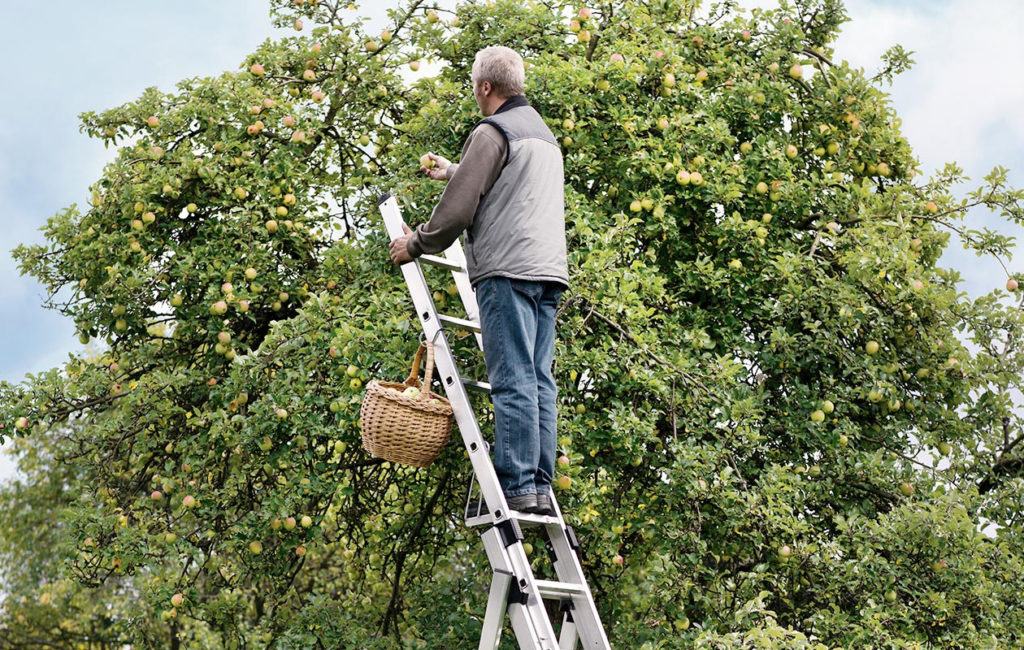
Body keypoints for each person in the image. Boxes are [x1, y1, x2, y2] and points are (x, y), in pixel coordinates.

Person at [388, 46, 568, 516]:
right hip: (548, 273)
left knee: (511, 379)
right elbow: (510, 186)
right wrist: (454, 170)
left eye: (474, 86)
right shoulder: (542, 135)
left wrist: (417, 244)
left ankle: (517, 485)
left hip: (506, 271)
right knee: (539, 381)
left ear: (484, 87)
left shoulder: (492, 130)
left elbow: (457, 211)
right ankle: (540, 486)